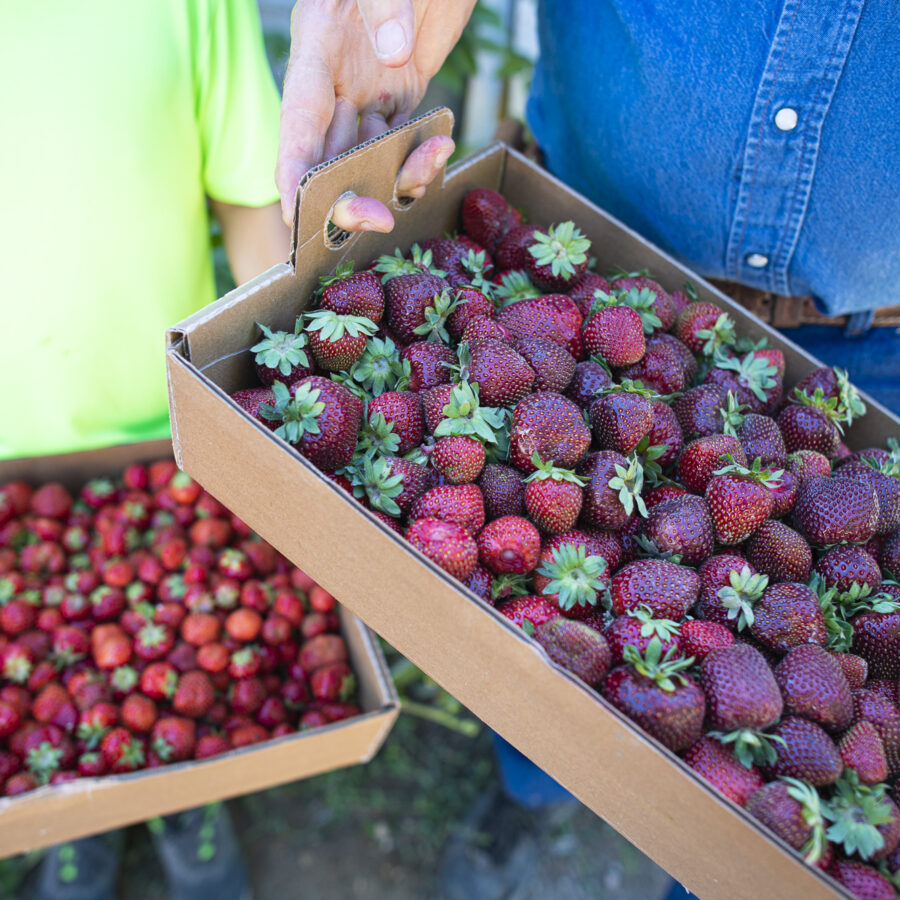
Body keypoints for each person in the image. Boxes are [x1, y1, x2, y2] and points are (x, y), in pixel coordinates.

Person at [274, 2, 900, 897]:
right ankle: (529, 787)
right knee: (535, 661)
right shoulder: (563, 396)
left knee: (743, 834)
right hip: (576, 236)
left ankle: (723, 867)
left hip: (869, 344)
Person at [1, 1, 290, 897]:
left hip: (175, 436)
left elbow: (251, 198)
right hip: (11, 451)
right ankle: (77, 809)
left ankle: (177, 785)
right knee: (78, 698)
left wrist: (291, 379)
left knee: (139, 686)